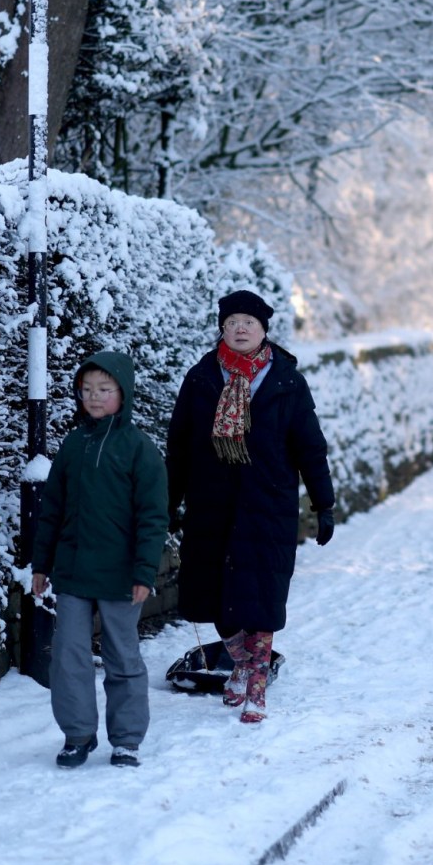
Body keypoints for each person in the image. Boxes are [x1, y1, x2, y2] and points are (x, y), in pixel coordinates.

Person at [167, 290, 337, 724]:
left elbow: (310, 447)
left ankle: (256, 687)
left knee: (261, 597)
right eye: (232, 322)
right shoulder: (201, 378)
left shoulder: (286, 381)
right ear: (221, 329)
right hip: (212, 505)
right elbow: (179, 447)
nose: (240, 329)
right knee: (217, 599)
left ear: (264, 330)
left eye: (249, 322)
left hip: (268, 506)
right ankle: (241, 664)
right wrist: (167, 503)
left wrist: (324, 503)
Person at [31, 351, 169, 768]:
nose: (94, 397)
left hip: (121, 576)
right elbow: (52, 509)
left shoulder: (139, 449)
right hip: (73, 572)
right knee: (68, 656)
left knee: (122, 657)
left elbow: (152, 517)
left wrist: (144, 571)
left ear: (123, 393)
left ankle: (126, 739)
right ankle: (78, 735)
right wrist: (41, 565)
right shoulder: (74, 444)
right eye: (87, 389)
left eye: (104, 389)